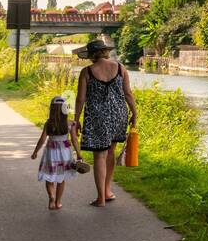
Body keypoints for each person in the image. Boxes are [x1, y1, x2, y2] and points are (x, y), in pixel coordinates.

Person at [73, 38, 137, 207]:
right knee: (111, 151)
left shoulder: (87, 72)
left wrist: (76, 119)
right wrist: (135, 113)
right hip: (118, 115)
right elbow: (128, 94)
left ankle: (101, 197)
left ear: (91, 55)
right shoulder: (121, 68)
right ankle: (108, 191)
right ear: (105, 52)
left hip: (96, 117)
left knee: (99, 155)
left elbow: (80, 99)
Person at [31, 96, 81, 210]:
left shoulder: (49, 123)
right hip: (65, 154)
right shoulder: (70, 124)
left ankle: (51, 198)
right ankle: (58, 202)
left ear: (51, 109)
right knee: (61, 178)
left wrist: (35, 152)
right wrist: (78, 154)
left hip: (51, 153)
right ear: (65, 109)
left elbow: (42, 139)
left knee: (49, 178)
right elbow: (74, 140)